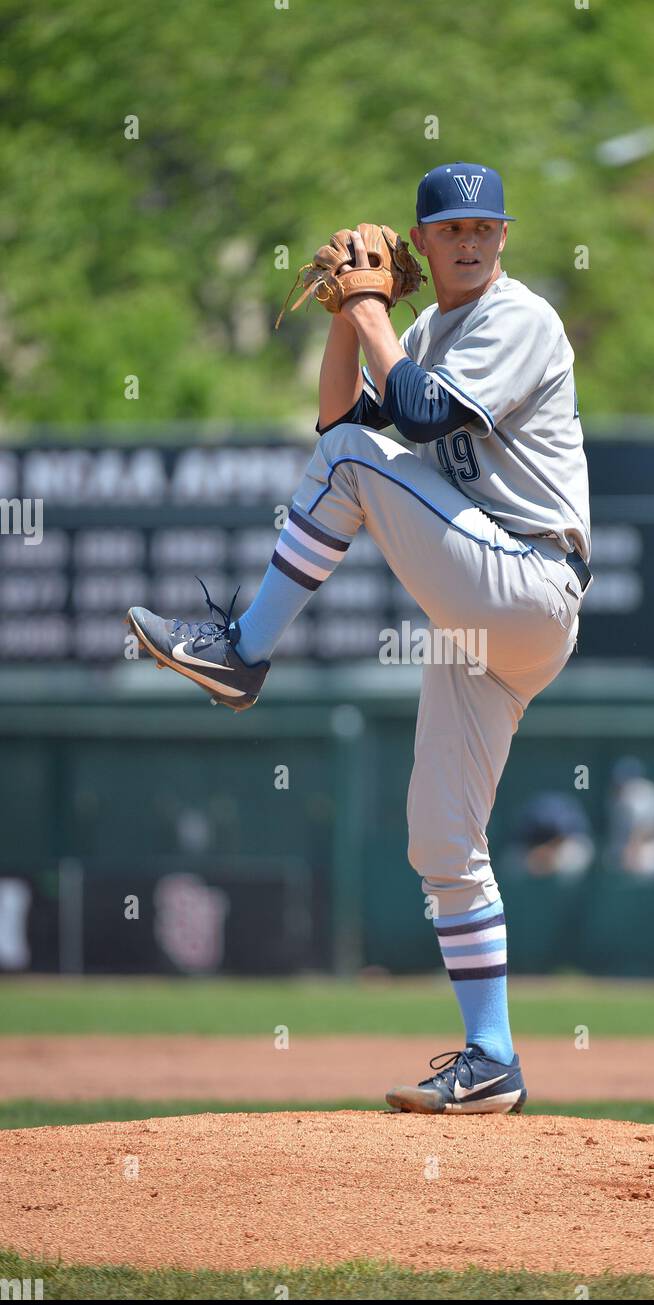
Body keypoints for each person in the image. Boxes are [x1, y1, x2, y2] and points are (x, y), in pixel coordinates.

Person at [127, 161, 592, 1114]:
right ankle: (492, 1058)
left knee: (347, 464)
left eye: (484, 227)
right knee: (442, 843)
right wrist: (350, 315)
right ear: (423, 242)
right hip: (481, 623)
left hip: (532, 581)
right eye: (450, 229)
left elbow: (414, 417)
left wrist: (371, 304)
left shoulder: (521, 318)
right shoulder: (422, 330)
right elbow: (340, 423)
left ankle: (244, 650)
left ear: (505, 236)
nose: (469, 241)